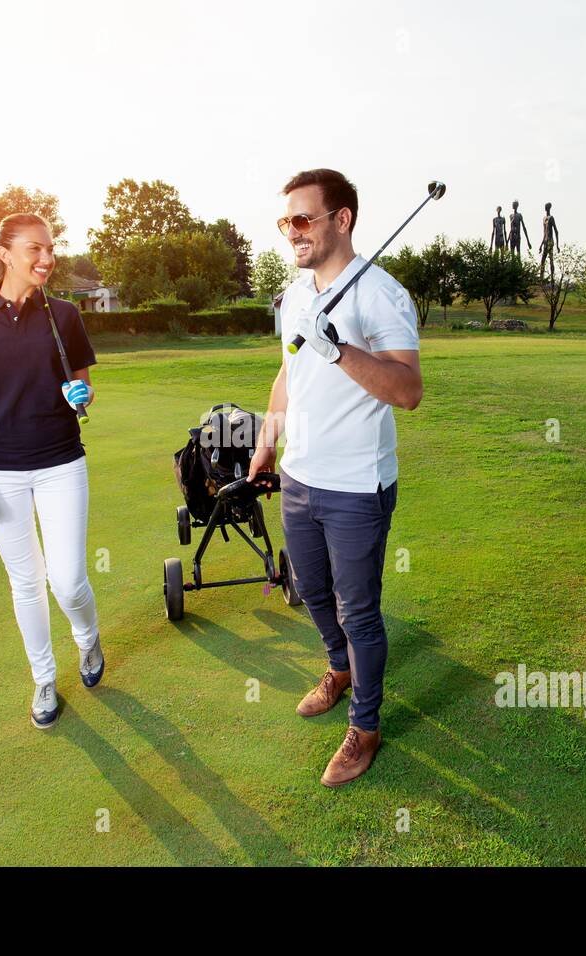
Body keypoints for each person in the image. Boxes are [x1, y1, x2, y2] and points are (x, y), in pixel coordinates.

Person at [250, 169, 423, 787]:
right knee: (314, 594)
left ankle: (365, 726)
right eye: (285, 221)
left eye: (303, 219)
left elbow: (408, 392)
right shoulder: (296, 295)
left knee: (360, 614)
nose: (291, 232)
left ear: (341, 219)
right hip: (300, 476)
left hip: (357, 486)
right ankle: (338, 668)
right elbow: (286, 375)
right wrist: (267, 444)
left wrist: (341, 350)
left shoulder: (383, 296)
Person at [0, 212, 103, 730]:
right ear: (5, 254)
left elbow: (83, 389)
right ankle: (44, 681)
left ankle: (87, 638)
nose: (47, 258)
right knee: (26, 584)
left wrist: (82, 395)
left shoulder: (65, 316)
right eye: (34, 249)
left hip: (60, 461)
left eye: (50, 248)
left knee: (69, 580)